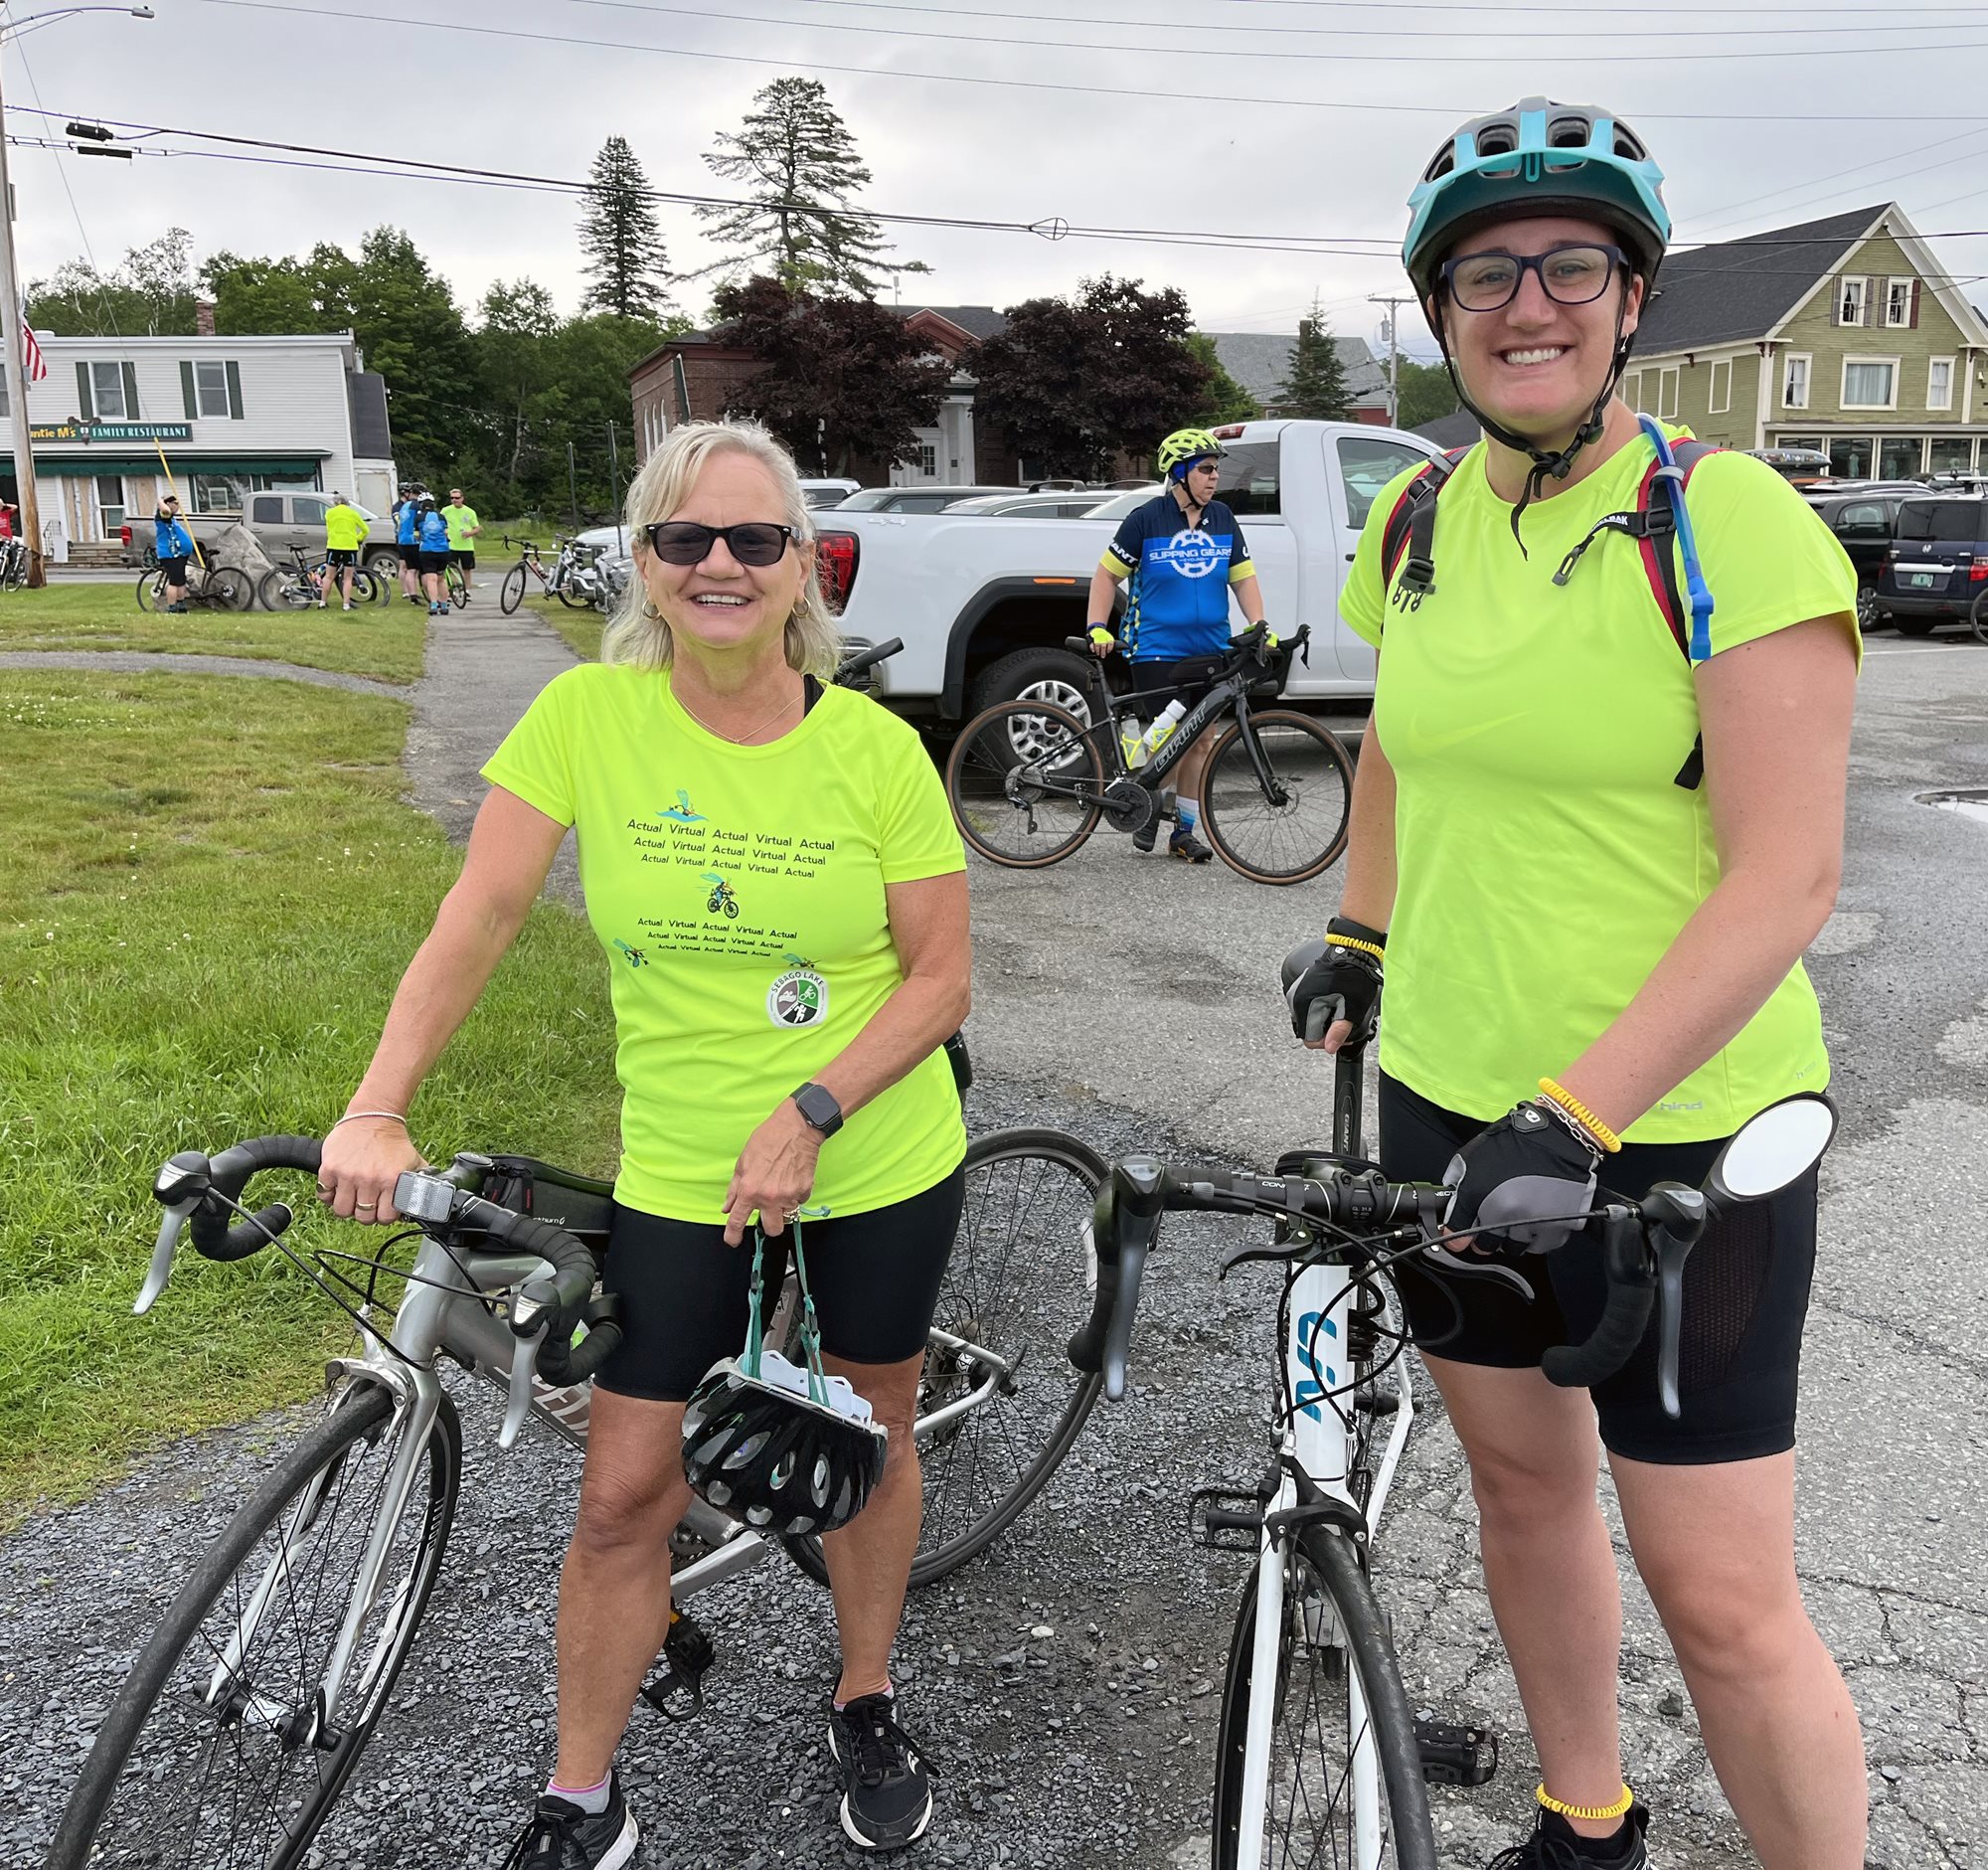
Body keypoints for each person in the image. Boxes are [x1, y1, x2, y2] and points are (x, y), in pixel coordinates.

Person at [1283, 98, 1863, 1870]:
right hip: (1455, 1098)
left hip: (1677, 1136)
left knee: (1720, 1593)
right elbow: (1399, 750)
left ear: (1632, 301)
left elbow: (1789, 873)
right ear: (1438, 311)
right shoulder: (1421, 524)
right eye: (1484, 275)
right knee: (1524, 1491)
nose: (1526, 303)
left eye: (1569, 267)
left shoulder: (1729, 520)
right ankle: (1583, 1816)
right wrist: (1366, 930)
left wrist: (1582, 1111)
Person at [318, 417, 971, 1865]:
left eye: (755, 539)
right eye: (687, 540)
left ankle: (865, 1692)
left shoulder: (874, 749)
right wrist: (377, 1098)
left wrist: (814, 1108)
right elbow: (476, 916)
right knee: (625, 1490)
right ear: (646, 561)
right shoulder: (585, 720)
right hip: (685, 1167)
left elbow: (939, 982)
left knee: (868, 1420)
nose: (721, 565)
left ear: (803, 564)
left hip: (869, 1149)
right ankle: (582, 1795)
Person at [1083, 425, 1266, 862]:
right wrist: (1097, 625)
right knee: (1172, 742)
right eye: (1205, 469)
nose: (1214, 477)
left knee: (1201, 741)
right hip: (1156, 649)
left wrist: (1260, 624)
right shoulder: (1145, 519)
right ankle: (1143, 794)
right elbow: (1107, 576)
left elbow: (1243, 579)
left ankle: (1182, 831)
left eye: (1216, 470)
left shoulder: (1222, 517)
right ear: (1179, 473)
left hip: (1211, 649)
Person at [320, 491, 369, 611]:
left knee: (328, 576)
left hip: (333, 546)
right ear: (347, 503)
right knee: (347, 578)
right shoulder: (353, 513)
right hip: (349, 547)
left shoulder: (329, 513)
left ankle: (322, 602)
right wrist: (358, 538)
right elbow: (365, 529)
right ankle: (346, 605)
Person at [153, 493, 195, 612]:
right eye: (175, 504)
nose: (177, 506)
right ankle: (172, 607)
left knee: (180, 580)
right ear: (168, 504)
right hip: (170, 554)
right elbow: (165, 510)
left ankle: (181, 605)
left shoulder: (171, 518)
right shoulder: (163, 516)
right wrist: (160, 500)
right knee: (174, 582)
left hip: (180, 554)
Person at [414, 494, 455, 616]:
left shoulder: (418, 518)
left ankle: (433, 605)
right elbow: (446, 534)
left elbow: (417, 536)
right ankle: (444, 605)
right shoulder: (441, 517)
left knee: (432, 579)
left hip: (427, 550)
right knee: (441, 578)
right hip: (443, 550)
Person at [444, 485, 481, 598]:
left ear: (462, 498)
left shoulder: (470, 512)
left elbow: (477, 527)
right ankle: (453, 589)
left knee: (467, 569)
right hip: (451, 545)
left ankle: (467, 590)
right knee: (451, 568)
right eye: (452, 498)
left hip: (466, 546)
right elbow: (441, 524)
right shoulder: (446, 510)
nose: (454, 500)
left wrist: (470, 533)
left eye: (457, 498)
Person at [394, 483, 423, 603]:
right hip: (413, 540)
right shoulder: (417, 506)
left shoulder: (404, 506)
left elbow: (399, 523)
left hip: (402, 539)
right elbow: (421, 521)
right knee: (420, 569)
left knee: (410, 569)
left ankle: (412, 595)